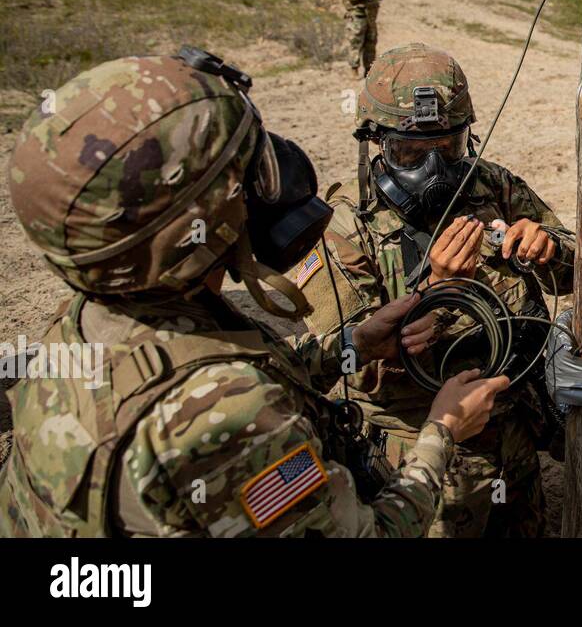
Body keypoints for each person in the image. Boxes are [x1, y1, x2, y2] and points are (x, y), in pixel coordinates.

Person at [0, 50, 506, 536]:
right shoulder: (229, 415)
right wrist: (441, 432)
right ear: (202, 223)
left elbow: (219, 363)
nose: (274, 183)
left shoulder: (81, 326)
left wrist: (353, 346)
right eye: (249, 172)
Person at [290, 42, 574, 536]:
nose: (434, 170)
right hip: (421, 453)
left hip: (512, 427)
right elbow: (349, 363)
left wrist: (549, 248)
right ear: (375, 142)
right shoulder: (342, 228)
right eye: (410, 152)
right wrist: (437, 292)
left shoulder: (493, 187)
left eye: (448, 148)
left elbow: (576, 271)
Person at [341, 0, 383, 77]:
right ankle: (354, 69)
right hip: (357, 18)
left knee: (370, 44)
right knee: (355, 44)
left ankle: (368, 70)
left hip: (370, 17)